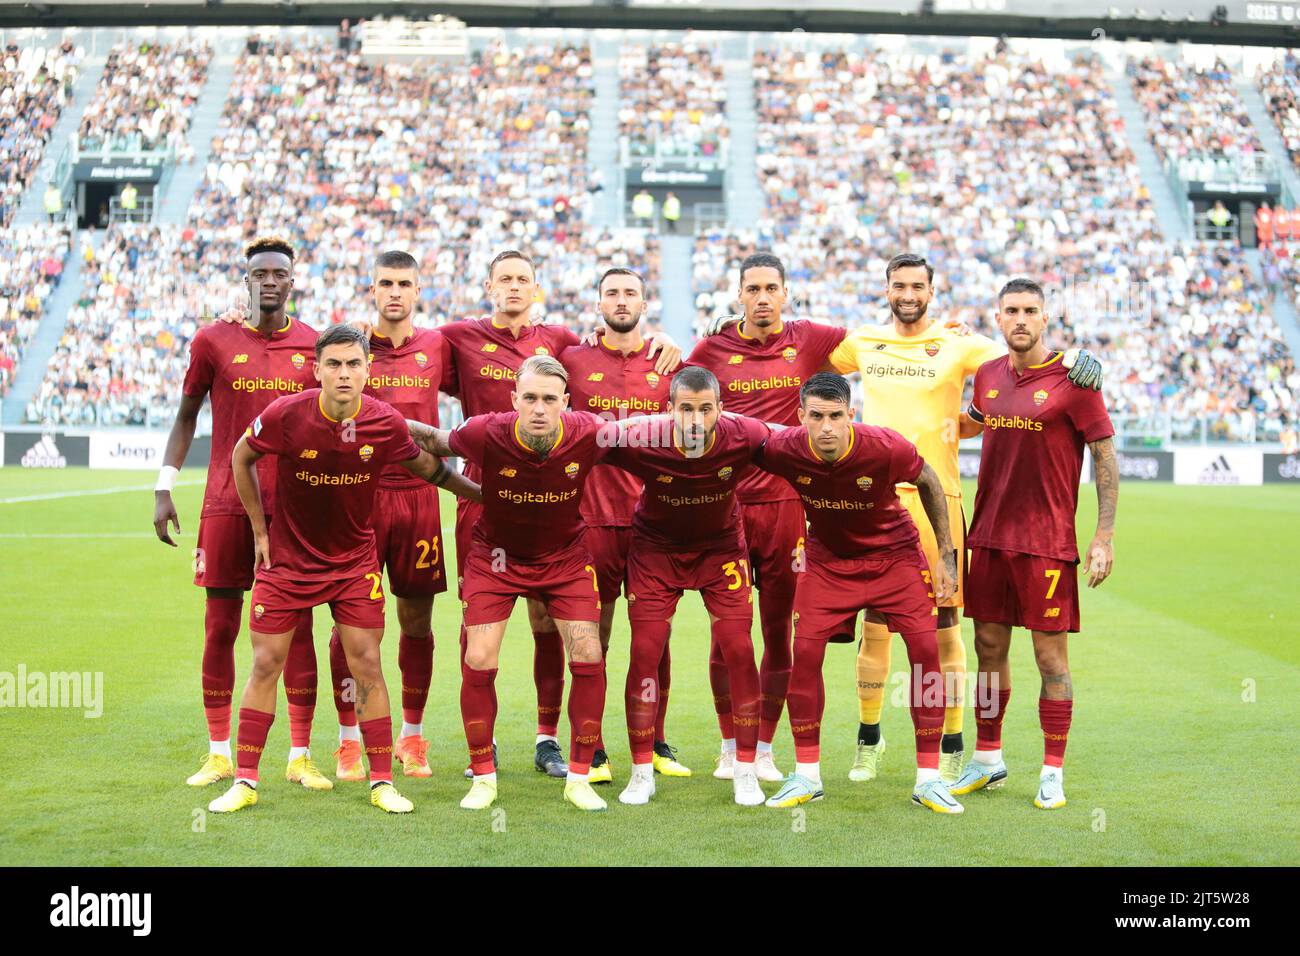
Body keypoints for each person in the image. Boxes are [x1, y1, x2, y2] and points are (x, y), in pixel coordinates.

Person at [828, 253, 1104, 785]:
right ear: (886, 289)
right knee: (877, 623)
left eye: (917, 286)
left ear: (932, 291)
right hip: (875, 502)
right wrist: (736, 328)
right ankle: (869, 739)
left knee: (944, 622)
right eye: (899, 285)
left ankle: (955, 744)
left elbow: (1024, 357)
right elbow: (797, 360)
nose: (908, 293)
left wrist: (1079, 358)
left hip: (940, 501)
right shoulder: (862, 342)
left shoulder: (962, 344)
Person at [209, 324, 480, 815]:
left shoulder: (385, 422)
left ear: (367, 371)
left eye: (353, 364)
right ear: (316, 370)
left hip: (354, 562)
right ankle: (245, 780)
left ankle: (381, 783)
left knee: (368, 664)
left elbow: (431, 470)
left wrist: (486, 496)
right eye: (333, 364)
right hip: (288, 561)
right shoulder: (286, 415)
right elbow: (241, 455)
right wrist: (259, 530)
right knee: (266, 662)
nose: (343, 373)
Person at [436, 250, 679, 778]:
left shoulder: (563, 343)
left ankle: (550, 740)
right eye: (505, 279)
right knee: (477, 627)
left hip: (552, 502)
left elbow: (621, 347)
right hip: (478, 500)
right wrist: (365, 331)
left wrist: (669, 339)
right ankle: (485, 745)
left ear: (538, 287)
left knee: (550, 620)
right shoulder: (454, 337)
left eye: (523, 279)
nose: (515, 287)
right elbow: (400, 351)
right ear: (488, 285)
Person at [154, 236, 326, 792]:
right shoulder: (212, 340)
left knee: (296, 628)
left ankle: (300, 754)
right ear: (246, 280)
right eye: (260, 274)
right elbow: (185, 417)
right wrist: (164, 486)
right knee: (220, 627)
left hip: (292, 510)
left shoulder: (314, 345)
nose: (270, 280)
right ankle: (219, 752)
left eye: (280, 272)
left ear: (292, 281)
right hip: (226, 504)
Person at [407, 355, 616, 812]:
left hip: (564, 558)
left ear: (566, 401)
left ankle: (578, 778)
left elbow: (647, 433)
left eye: (548, 399)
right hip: (494, 560)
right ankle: (483, 777)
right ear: (513, 400)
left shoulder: (590, 431)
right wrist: (372, 416)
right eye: (529, 398)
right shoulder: (485, 431)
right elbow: (431, 441)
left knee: (588, 652)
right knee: (479, 656)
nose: (538, 408)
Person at [755, 372, 962, 813]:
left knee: (926, 650)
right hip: (829, 561)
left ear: (851, 414)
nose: (826, 427)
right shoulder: (784, 448)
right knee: (805, 654)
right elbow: (736, 440)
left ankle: (928, 779)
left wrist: (945, 554)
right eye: (816, 417)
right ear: (801, 417)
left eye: (835, 416)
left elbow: (928, 480)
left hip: (895, 556)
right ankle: (807, 775)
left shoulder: (884, 446)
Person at [951, 278, 1119, 811]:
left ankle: (1052, 771)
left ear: (1045, 318)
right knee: (988, 650)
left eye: (1030, 311)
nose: (1020, 319)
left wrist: (1104, 534)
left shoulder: (1075, 380)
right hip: (989, 537)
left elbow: (1106, 459)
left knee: (1050, 659)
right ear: (997, 319)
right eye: (1011, 311)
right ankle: (987, 759)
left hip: (1046, 544)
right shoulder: (987, 375)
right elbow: (973, 425)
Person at [686, 253, 848, 781]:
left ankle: (766, 748)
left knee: (780, 631)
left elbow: (881, 342)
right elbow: (674, 391)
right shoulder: (711, 349)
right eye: (751, 288)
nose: (761, 297)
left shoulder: (812, 340)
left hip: (787, 508)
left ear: (785, 293)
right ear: (738, 295)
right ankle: (731, 745)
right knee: (728, 632)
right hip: (725, 505)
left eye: (770, 288)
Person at [601, 366, 773, 808]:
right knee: (645, 650)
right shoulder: (642, 438)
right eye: (686, 410)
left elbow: (795, 441)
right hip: (655, 551)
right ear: (669, 410)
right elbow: (587, 440)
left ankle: (746, 770)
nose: (695, 420)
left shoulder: (743, 434)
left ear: (721, 409)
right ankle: (641, 771)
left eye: (705, 409)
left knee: (739, 648)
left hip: (720, 550)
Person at [558, 267, 690, 783]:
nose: (620, 300)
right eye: (611, 292)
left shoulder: (670, 361)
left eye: (629, 292)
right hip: (590, 519)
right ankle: (590, 749)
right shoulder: (573, 359)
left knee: (656, 637)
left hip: (654, 522)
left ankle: (655, 741)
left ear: (644, 301)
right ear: (598, 304)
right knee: (593, 637)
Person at [327, 251, 452, 780]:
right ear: (371, 290)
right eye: (386, 283)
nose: (395, 292)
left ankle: (412, 737)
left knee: (416, 622)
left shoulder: (439, 345)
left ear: (419, 290)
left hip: (420, 497)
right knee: (350, 628)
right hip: (360, 497)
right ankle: (349, 739)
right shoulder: (350, 349)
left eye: (405, 283)